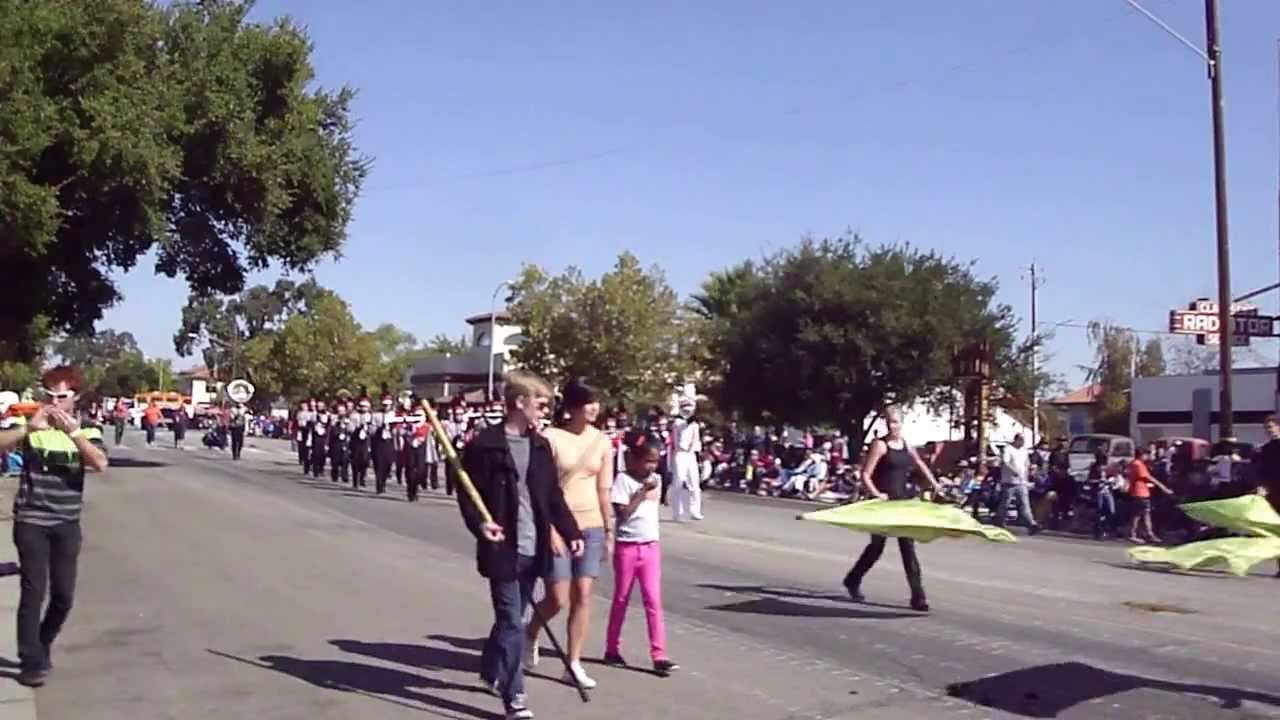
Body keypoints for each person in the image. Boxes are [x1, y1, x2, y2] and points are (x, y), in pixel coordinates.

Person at [457, 371, 583, 720]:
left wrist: (571, 532)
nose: (545, 411)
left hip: (534, 547)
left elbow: (551, 496)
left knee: (511, 620)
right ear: (519, 403)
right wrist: (481, 524)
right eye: (540, 405)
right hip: (502, 549)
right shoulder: (486, 446)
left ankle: (489, 669)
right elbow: (468, 496)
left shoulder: (540, 446)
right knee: (512, 623)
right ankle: (515, 697)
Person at [0, 366, 109, 687]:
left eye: (62, 396)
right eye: (50, 396)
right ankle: (30, 661)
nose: (55, 402)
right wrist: (27, 430)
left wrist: (74, 433)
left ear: (75, 397)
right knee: (33, 591)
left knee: (63, 596)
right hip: (31, 518)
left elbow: (100, 463)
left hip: (66, 521)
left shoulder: (87, 428)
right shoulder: (30, 423)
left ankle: (42, 643)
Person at [525, 378, 613, 689]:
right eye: (589, 402)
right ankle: (531, 631)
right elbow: (540, 489)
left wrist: (608, 529)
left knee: (584, 595)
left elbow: (605, 489)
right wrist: (550, 528)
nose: (595, 408)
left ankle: (573, 662)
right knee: (557, 598)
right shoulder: (549, 438)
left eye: (597, 402)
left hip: (591, 527)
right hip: (560, 525)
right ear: (573, 405)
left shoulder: (602, 441)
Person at [842, 406, 938, 612]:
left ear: (901, 423)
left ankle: (918, 597)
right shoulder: (880, 445)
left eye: (895, 422)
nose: (891, 425)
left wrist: (935, 484)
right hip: (882, 506)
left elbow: (920, 464)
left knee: (908, 549)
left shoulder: (906, 445)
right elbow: (865, 475)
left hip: (902, 503)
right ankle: (853, 579)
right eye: (888, 422)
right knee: (876, 548)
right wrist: (877, 495)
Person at [603, 429, 679, 676]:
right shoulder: (623, 481)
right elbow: (622, 514)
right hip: (627, 546)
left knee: (653, 601)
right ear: (633, 459)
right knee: (622, 599)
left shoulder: (656, 478)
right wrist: (640, 493)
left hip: (650, 547)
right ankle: (612, 648)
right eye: (647, 460)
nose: (651, 466)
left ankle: (659, 654)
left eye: (655, 461)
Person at [1128, 446, 1173, 544]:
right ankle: (1133, 534)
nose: (1147, 457)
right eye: (1146, 455)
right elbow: (1149, 477)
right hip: (1140, 492)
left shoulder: (1133, 463)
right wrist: (1164, 488)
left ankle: (1149, 534)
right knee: (1138, 514)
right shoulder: (1138, 464)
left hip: (1140, 492)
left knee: (1145, 514)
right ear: (1142, 455)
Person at [997, 434, 1041, 534]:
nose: (1022, 442)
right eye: (1020, 440)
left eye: (1023, 440)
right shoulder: (1008, 449)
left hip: (1022, 482)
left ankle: (1031, 524)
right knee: (1005, 503)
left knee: (1025, 503)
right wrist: (1014, 470)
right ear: (1016, 440)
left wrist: (1029, 472)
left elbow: (1027, 462)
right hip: (1009, 482)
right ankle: (999, 522)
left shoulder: (1024, 451)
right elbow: (1006, 462)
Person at [670, 398, 704, 521]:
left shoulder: (695, 424)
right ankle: (677, 512)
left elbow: (696, 440)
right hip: (680, 454)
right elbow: (684, 425)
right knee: (678, 482)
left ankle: (695, 510)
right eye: (686, 409)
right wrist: (691, 420)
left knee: (695, 484)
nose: (688, 412)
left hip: (691, 455)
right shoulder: (678, 422)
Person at [1257, 415, 1280, 577]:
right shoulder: (1266, 449)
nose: (1268, 431)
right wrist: (1261, 486)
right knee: (1276, 531)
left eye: (1271, 427)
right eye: (1266, 428)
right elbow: (1262, 471)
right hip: (1274, 493)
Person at [350, 397, 373, 489]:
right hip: (356, 441)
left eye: (366, 407)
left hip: (366, 441)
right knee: (355, 460)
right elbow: (350, 428)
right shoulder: (354, 416)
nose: (364, 408)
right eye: (362, 406)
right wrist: (357, 427)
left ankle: (363, 478)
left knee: (364, 460)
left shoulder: (371, 416)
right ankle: (355, 480)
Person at [328, 402, 352, 484]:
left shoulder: (348, 420)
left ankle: (344, 476)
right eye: (339, 411)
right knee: (335, 461)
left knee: (345, 460)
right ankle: (334, 475)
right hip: (336, 443)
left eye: (342, 411)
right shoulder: (334, 420)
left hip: (345, 443)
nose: (341, 412)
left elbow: (351, 430)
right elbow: (331, 431)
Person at [309, 400, 329, 480]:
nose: (319, 407)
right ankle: (315, 470)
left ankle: (321, 468)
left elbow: (328, 426)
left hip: (324, 436)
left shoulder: (327, 415)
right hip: (316, 436)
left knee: (323, 454)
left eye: (321, 406)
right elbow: (311, 425)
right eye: (318, 406)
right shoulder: (314, 414)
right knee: (315, 453)